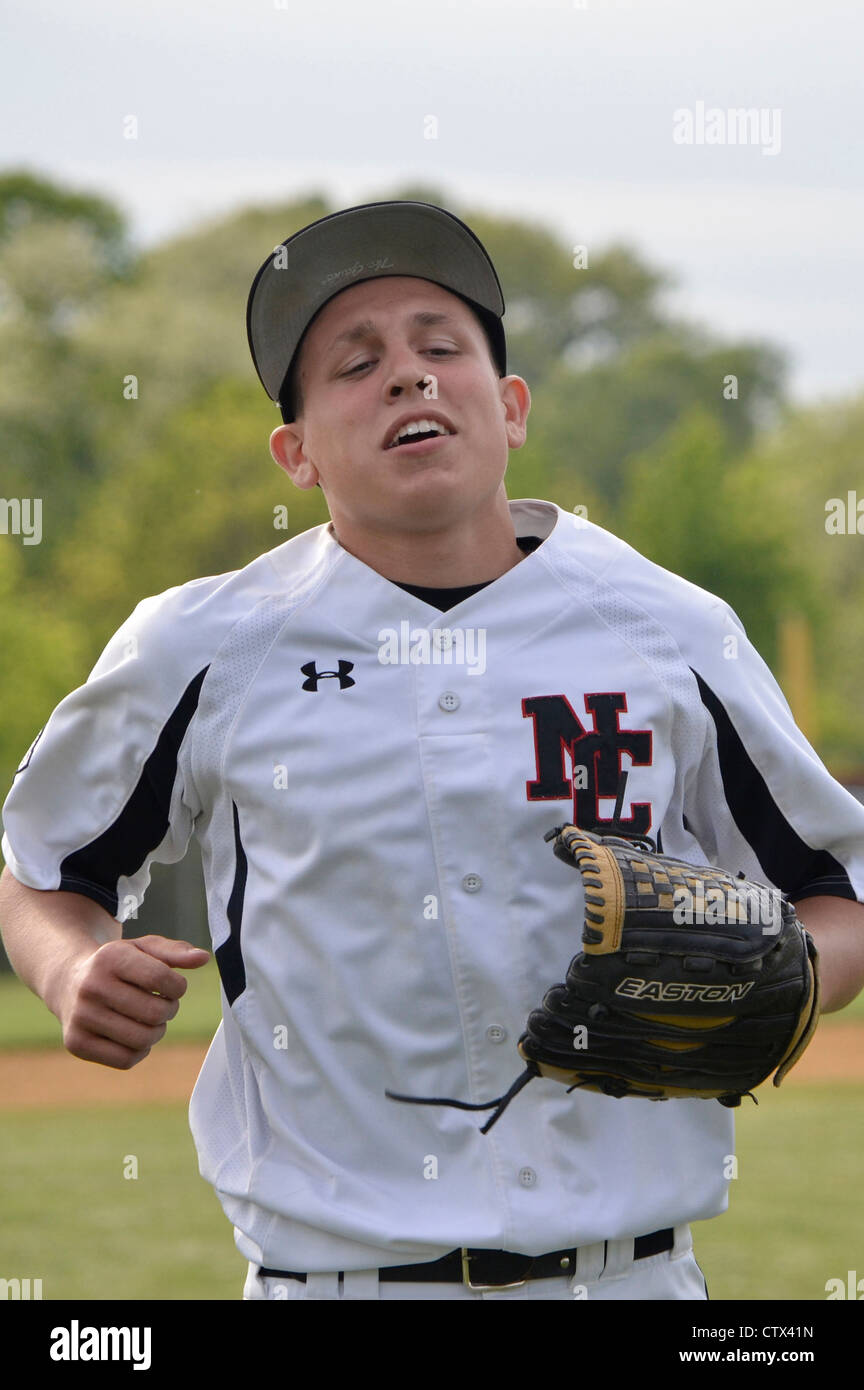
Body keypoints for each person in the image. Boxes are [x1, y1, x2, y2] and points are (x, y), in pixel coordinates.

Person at [2, 201, 864, 1303]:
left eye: (440, 346)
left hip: (628, 1279)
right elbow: (42, 870)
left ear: (510, 408)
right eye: (355, 363)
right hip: (335, 1279)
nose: (408, 376)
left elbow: (836, 891)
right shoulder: (201, 649)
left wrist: (777, 980)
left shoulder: (669, 630)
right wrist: (72, 966)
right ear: (296, 452)